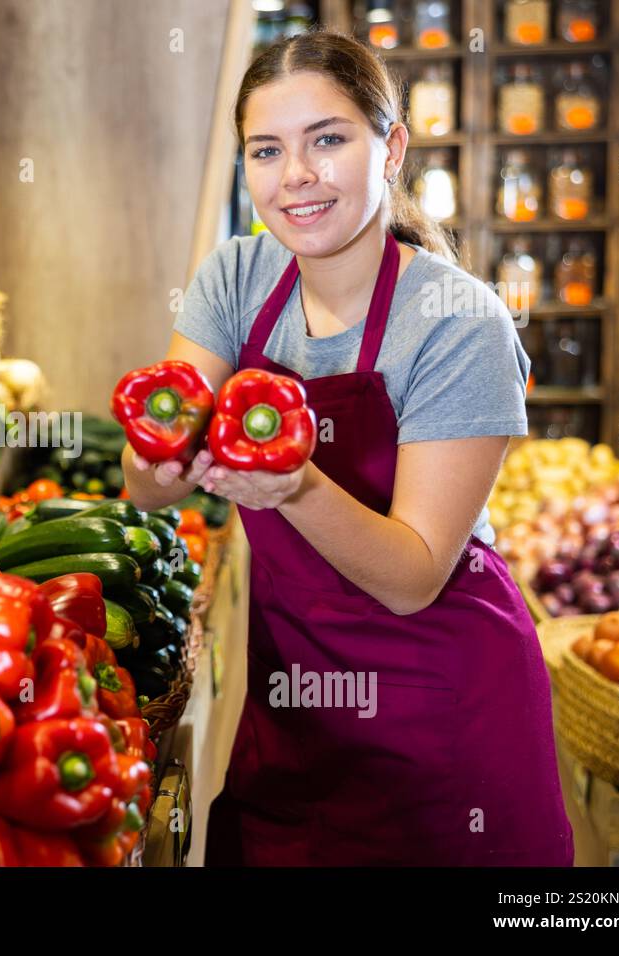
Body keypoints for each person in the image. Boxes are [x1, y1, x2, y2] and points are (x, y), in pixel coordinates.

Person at [121, 30, 573, 866]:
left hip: (443, 707)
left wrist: (291, 487)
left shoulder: (458, 323)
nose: (296, 174)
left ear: (391, 147)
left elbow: (412, 577)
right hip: (296, 693)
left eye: (328, 139)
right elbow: (147, 486)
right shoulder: (235, 278)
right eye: (267, 149)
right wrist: (162, 456)